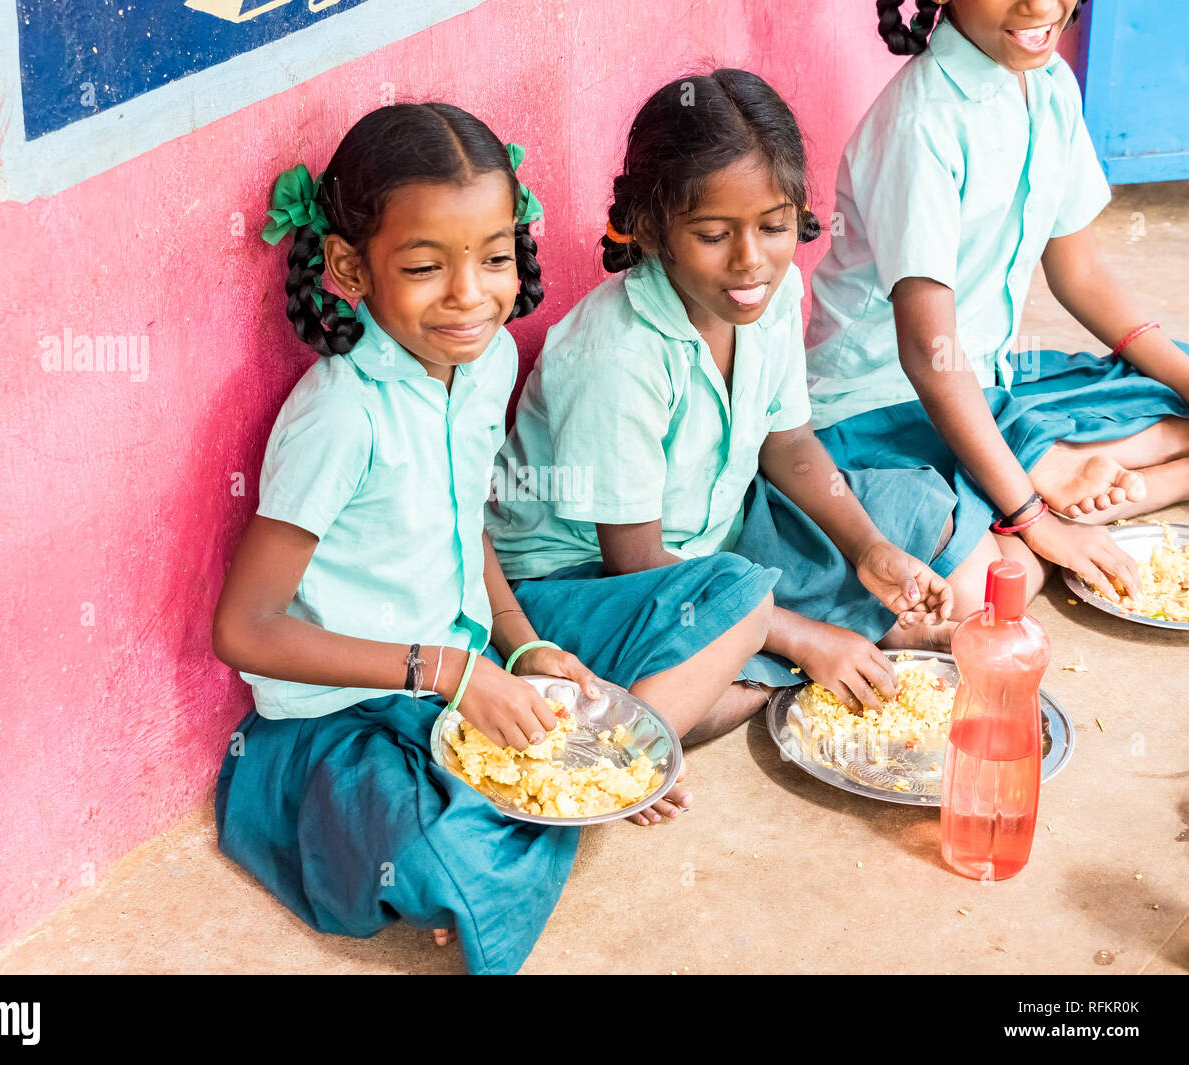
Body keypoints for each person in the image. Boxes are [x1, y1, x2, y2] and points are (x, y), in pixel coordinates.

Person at [210, 103, 775, 975]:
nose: (470, 296)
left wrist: (525, 645)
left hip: (472, 658)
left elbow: (461, 525)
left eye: (495, 258)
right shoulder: (340, 415)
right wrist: (446, 673)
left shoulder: (487, 364)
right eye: (427, 266)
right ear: (350, 268)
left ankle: (569, 771)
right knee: (440, 847)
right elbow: (245, 629)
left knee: (738, 592)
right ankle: (560, 785)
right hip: (343, 717)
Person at [486, 70, 955, 754]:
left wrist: (868, 549)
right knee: (725, 650)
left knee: (913, 505)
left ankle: (767, 647)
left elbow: (789, 445)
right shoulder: (617, 352)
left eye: (773, 225)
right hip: (583, 584)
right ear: (649, 228)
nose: (750, 261)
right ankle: (765, 656)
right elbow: (637, 561)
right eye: (713, 234)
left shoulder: (772, 290)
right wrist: (801, 633)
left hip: (715, 541)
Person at [808, 0, 1188, 608]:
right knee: (984, 594)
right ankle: (1042, 467)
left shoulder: (1051, 85)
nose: (1039, 5)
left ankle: (1042, 463)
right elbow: (929, 356)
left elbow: (1081, 273)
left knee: (1167, 380)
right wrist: (1034, 519)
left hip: (985, 383)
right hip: (879, 406)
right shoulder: (922, 122)